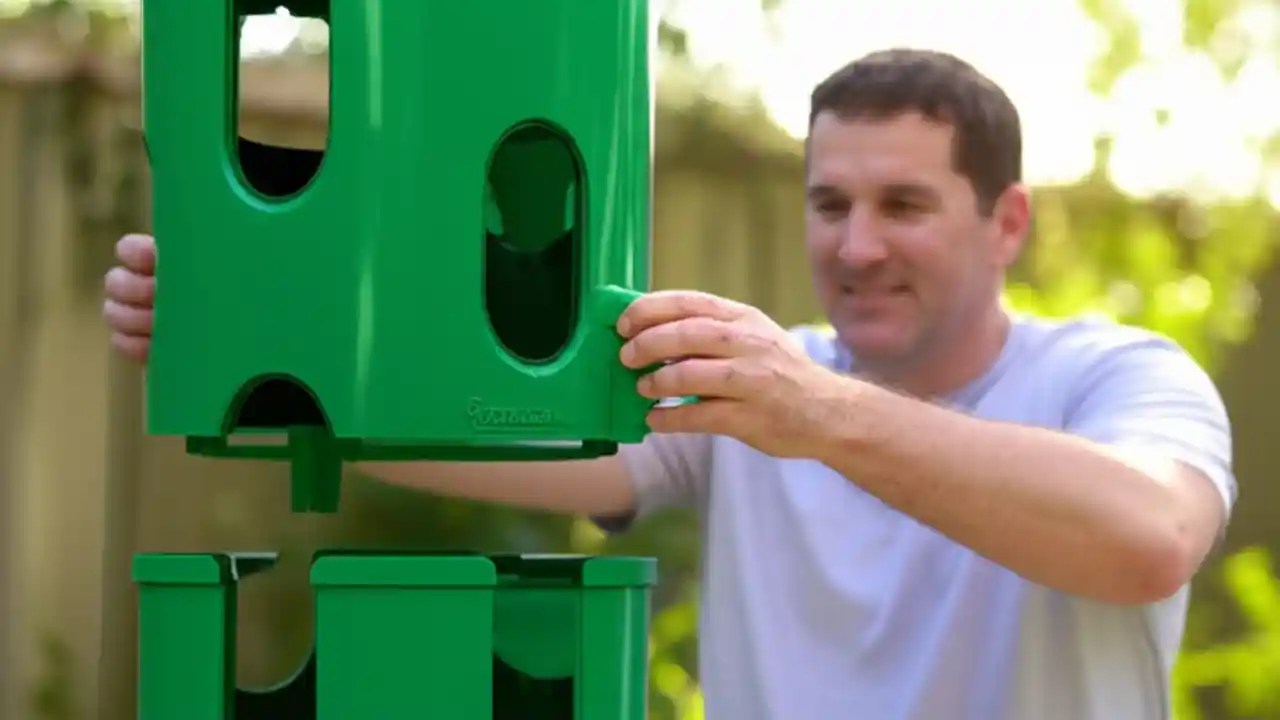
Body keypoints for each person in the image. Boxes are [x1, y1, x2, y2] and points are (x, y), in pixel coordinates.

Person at [102, 48, 1234, 720]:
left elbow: (1147, 541)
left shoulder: (1114, 377)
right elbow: (476, 427)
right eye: (829, 204)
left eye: (903, 206)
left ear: (1007, 222)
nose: (855, 246)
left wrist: (817, 413)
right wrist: (240, 346)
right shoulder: (753, 391)